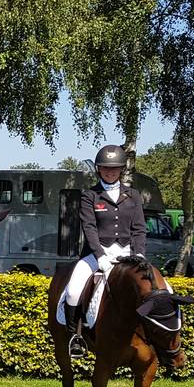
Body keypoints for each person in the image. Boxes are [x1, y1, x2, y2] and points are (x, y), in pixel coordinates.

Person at [63, 144, 147, 358]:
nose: (111, 172)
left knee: (156, 288)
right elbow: (89, 227)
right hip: (96, 253)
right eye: (106, 168)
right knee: (73, 290)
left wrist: (139, 254)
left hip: (129, 253)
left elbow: (139, 228)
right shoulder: (90, 195)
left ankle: (155, 336)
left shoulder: (133, 195)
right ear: (99, 169)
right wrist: (99, 255)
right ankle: (75, 337)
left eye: (115, 168)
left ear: (121, 170)